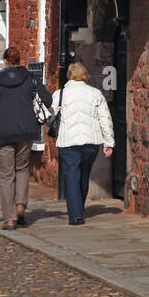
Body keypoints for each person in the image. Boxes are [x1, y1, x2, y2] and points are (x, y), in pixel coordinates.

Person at [0, 46, 49, 230]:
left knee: (6, 175)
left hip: (2, 133)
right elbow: (47, 99)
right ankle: (21, 206)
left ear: (6, 61)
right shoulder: (31, 78)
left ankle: (9, 218)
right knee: (22, 168)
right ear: (19, 60)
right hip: (26, 130)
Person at [51, 61, 114, 225]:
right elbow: (105, 119)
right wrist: (109, 142)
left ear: (69, 76)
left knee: (72, 177)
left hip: (68, 142)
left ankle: (76, 214)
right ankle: (79, 207)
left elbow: (50, 116)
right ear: (84, 75)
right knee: (83, 175)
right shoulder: (95, 93)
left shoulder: (60, 94)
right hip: (90, 142)